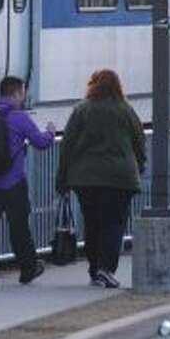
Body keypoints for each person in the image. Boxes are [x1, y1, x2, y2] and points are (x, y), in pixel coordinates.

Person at [55, 69, 146, 288]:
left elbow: (67, 145)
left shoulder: (82, 110)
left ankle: (95, 268)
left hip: (86, 178)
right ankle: (106, 268)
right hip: (120, 178)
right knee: (114, 223)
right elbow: (139, 141)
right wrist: (140, 165)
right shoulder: (125, 110)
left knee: (92, 222)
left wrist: (62, 179)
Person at [0, 76, 55, 287]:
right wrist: (51, 132)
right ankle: (28, 268)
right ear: (17, 93)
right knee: (19, 227)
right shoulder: (19, 117)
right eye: (22, 93)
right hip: (13, 183)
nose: (23, 97)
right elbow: (41, 142)